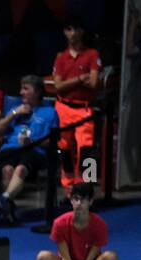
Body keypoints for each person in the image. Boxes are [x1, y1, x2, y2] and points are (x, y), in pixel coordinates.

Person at [0, 76, 56, 225]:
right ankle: (7, 207)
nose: (21, 92)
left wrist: (32, 142)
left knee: (20, 169)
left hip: (35, 150)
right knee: (7, 169)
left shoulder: (50, 112)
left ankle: (4, 199)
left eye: (26, 89)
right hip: (11, 148)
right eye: (21, 88)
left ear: (38, 92)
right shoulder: (15, 109)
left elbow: (53, 140)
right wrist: (13, 114)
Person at [52, 15, 100, 193]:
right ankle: (68, 186)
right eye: (69, 29)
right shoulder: (61, 58)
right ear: (65, 32)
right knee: (64, 148)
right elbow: (58, 86)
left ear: (82, 31)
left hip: (84, 108)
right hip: (63, 107)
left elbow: (94, 83)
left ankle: (89, 186)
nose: (73, 33)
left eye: (77, 29)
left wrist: (68, 83)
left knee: (87, 148)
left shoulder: (92, 54)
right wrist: (80, 78)